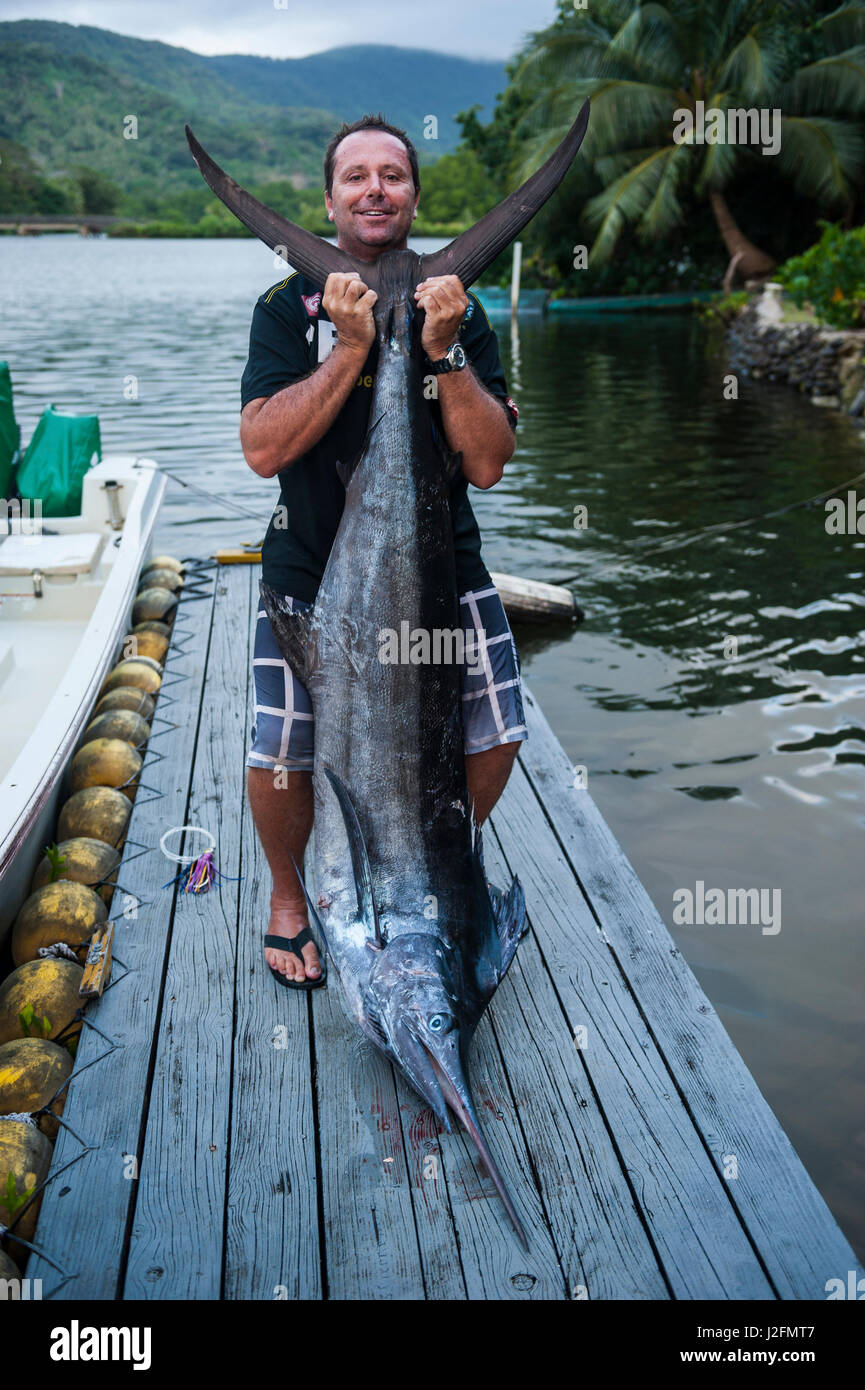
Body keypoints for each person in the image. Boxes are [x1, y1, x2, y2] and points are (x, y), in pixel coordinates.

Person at [239, 113, 527, 987]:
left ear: (411, 194)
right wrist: (354, 346)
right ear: (328, 199)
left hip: (439, 567)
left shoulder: (458, 307)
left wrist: (438, 353)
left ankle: (434, 868)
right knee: (282, 749)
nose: (374, 190)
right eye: (356, 176)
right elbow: (262, 450)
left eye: (392, 176)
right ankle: (292, 901)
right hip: (309, 563)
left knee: (499, 730)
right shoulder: (284, 307)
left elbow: (486, 463)